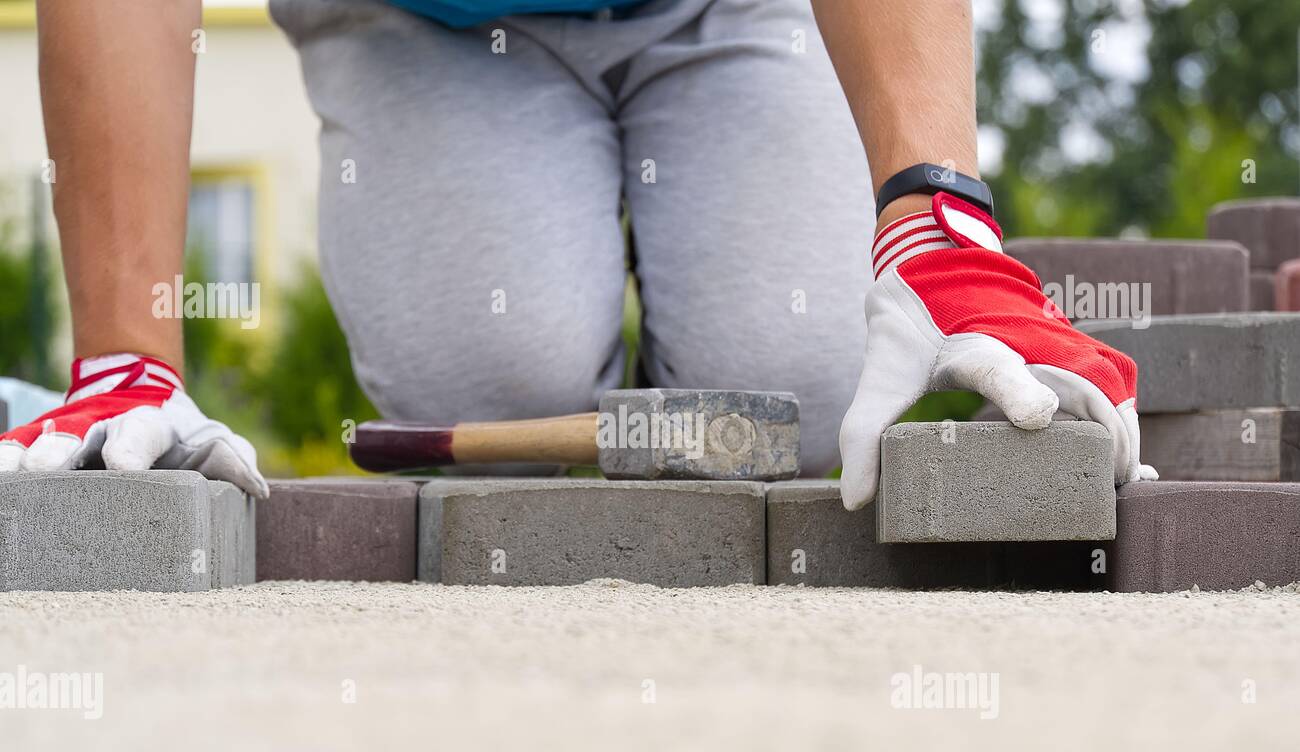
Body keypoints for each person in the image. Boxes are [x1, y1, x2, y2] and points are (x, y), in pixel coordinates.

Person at [0, 0, 1153, 510]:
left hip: (728, 5)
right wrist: (124, 351)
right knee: (494, 386)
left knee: (798, 393)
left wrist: (935, 223)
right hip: (430, 20)